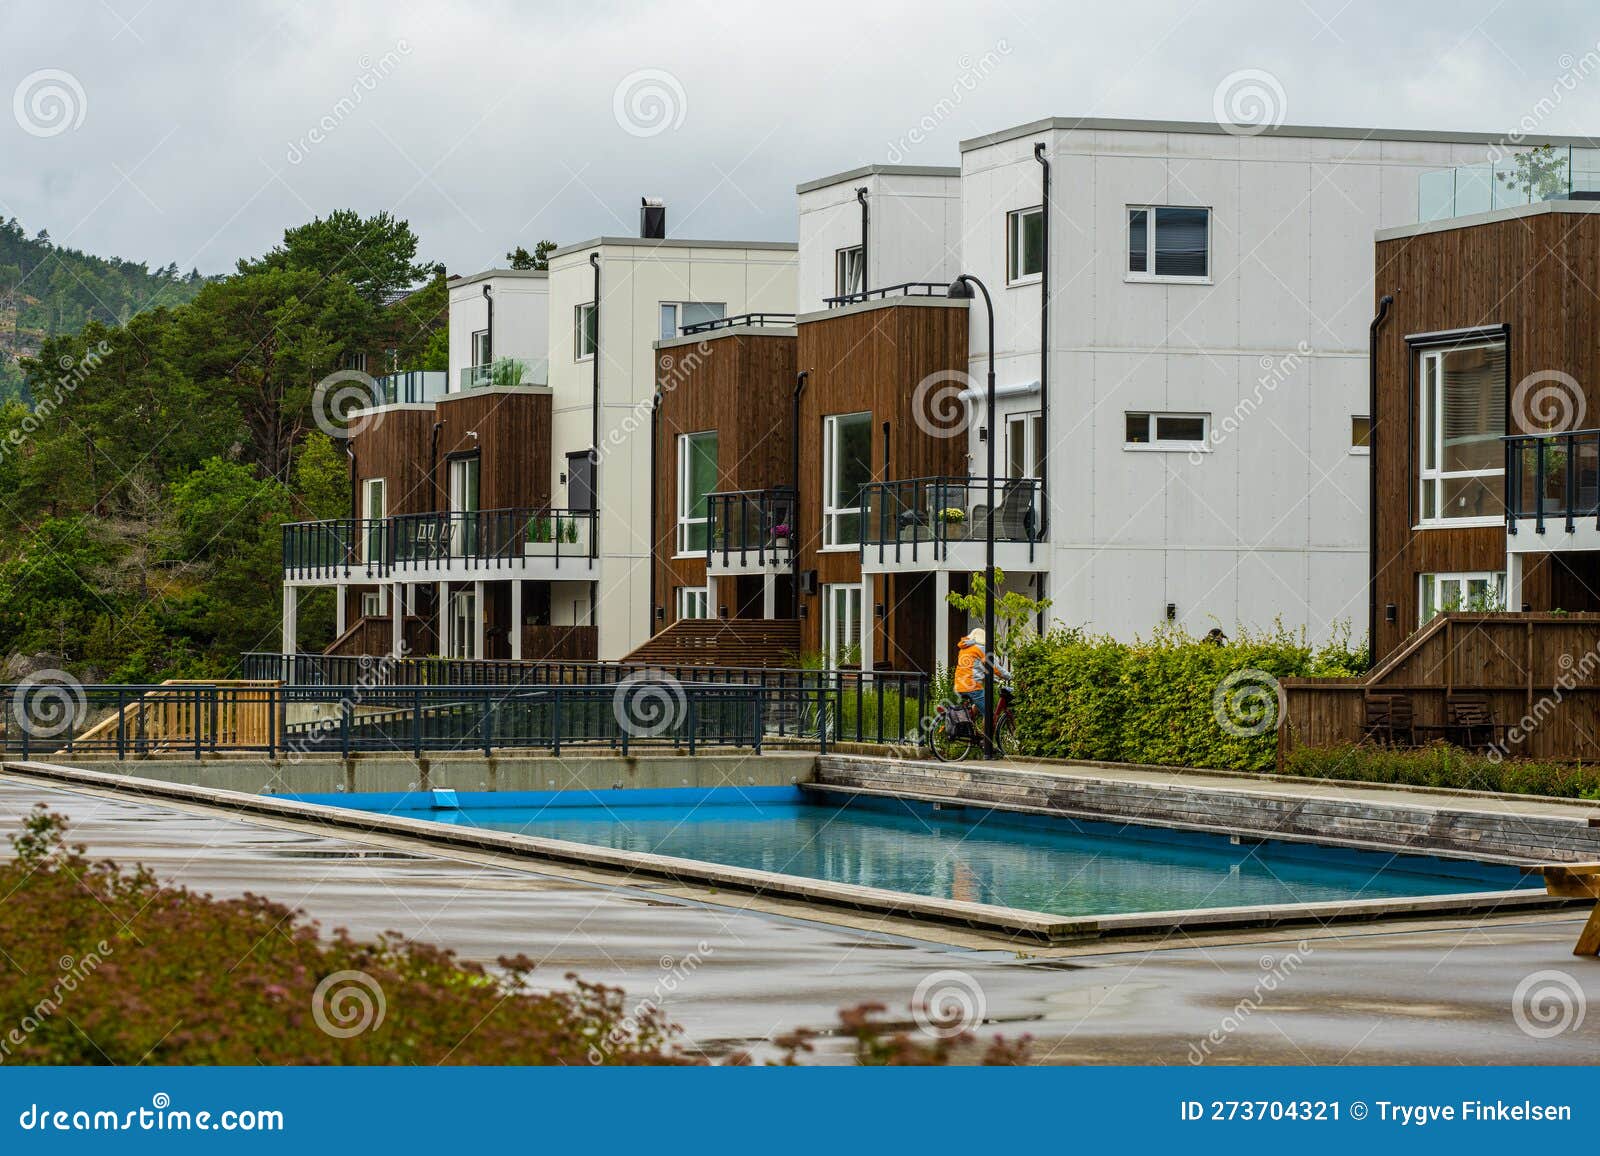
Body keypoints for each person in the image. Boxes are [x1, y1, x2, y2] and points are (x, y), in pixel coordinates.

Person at [953, 627, 1008, 729]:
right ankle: (985, 741)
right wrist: (1009, 676)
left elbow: (975, 668)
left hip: (959, 686)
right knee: (989, 715)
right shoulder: (980, 648)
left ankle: (969, 727)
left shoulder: (964, 649)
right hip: (971, 687)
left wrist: (993, 679)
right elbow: (995, 667)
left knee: (980, 702)